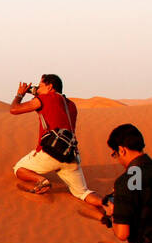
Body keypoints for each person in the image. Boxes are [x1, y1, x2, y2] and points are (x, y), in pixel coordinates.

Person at [9, 75, 105, 215]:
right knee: (83, 192)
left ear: (50, 86)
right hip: (70, 155)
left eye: (41, 85)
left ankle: (41, 180)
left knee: (18, 168)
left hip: (49, 152)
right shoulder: (71, 105)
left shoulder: (45, 99)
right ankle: (110, 205)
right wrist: (36, 91)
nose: (38, 88)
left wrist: (20, 94)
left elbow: (14, 109)